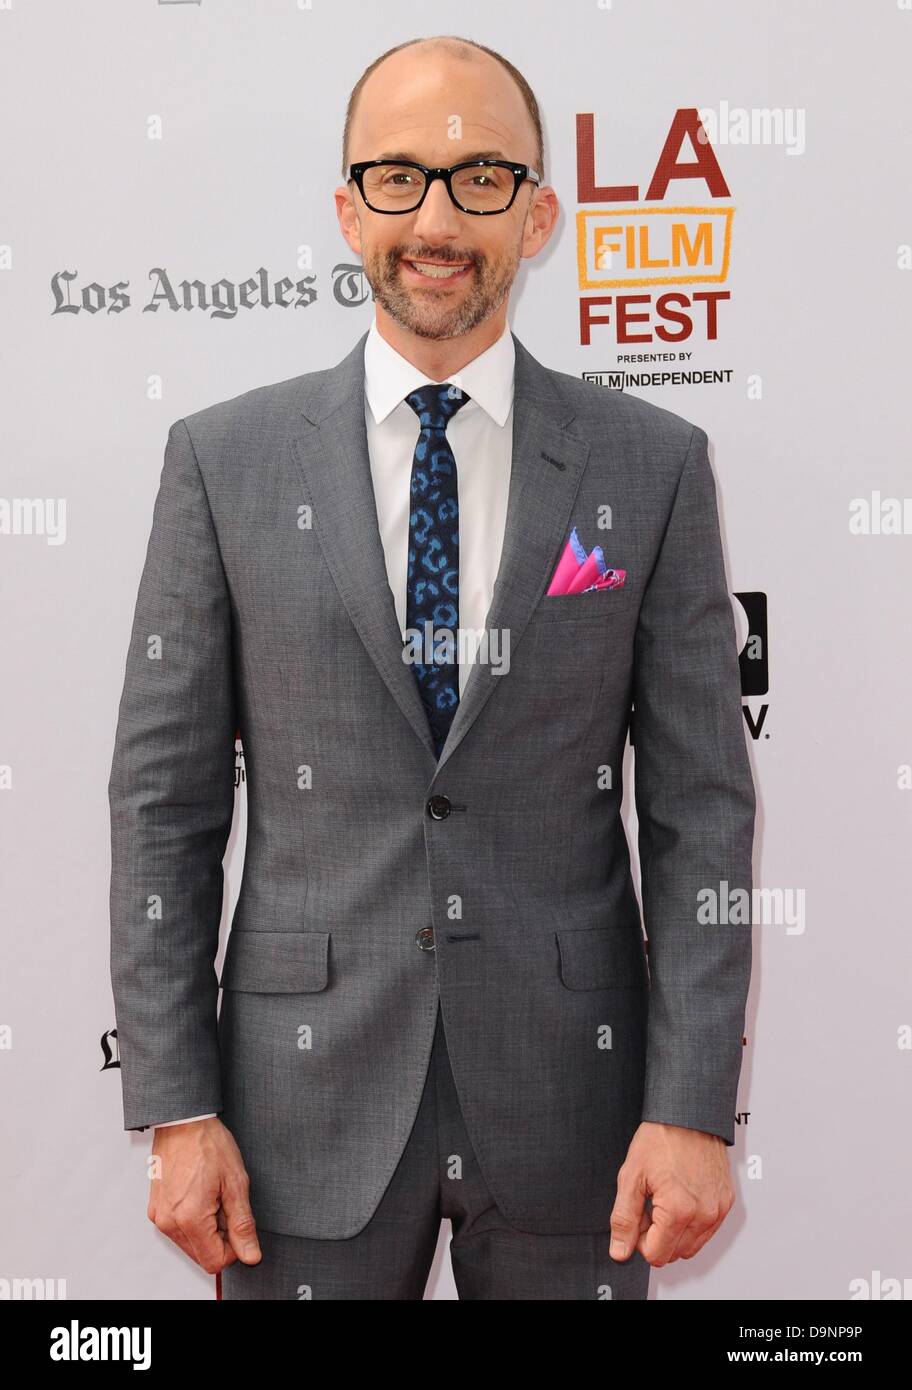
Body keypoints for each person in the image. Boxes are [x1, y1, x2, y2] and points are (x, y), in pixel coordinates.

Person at [108, 33, 755, 1301]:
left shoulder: (652, 464)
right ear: (349, 209)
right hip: (299, 1106)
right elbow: (164, 807)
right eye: (398, 178)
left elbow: (701, 810)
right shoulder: (224, 464)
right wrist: (175, 1105)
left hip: (580, 1104)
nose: (438, 217)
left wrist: (692, 1105)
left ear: (541, 212)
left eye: (481, 177)